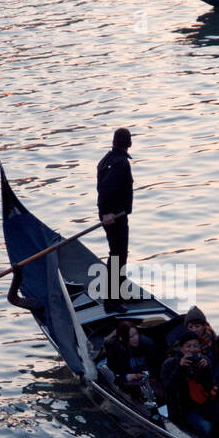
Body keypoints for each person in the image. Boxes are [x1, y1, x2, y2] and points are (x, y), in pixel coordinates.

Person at [161, 331, 219, 438]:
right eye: (188, 346)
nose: (192, 349)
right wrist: (181, 368)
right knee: (206, 426)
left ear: (200, 348)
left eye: (195, 346)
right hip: (185, 410)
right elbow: (169, 388)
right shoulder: (170, 364)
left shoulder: (203, 360)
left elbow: (210, 386)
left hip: (206, 404)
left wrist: (205, 371)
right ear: (181, 348)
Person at [96, 127, 133, 312]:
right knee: (118, 256)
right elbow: (107, 190)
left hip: (112, 215)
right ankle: (112, 300)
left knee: (117, 254)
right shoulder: (120, 164)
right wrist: (107, 213)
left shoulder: (106, 160)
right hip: (115, 217)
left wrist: (104, 212)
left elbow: (103, 190)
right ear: (129, 143)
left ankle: (118, 293)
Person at [104, 319, 160, 410]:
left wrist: (148, 374)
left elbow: (156, 365)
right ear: (122, 338)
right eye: (131, 337)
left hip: (148, 381)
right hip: (129, 385)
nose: (135, 338)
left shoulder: (147, 344)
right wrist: (128, 377)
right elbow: (113, 375)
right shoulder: (115, 352)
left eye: (136, 334)